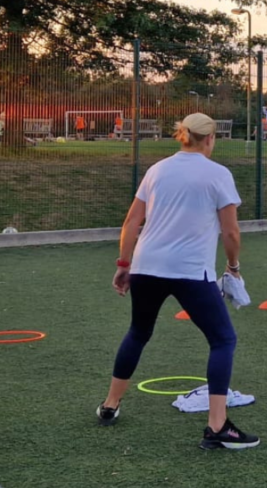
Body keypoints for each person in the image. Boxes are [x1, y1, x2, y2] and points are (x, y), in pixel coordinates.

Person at [97, 113, 258, 450]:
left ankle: (110, 405)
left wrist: (124, 264)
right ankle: (217, 427)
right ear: (210, 138)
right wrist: (233, 267)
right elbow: (230, 231)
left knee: (138, 333)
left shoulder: (158, 170)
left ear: (182, 136)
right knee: (223, 339)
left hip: (146, 265)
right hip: (189, 271)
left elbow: (131, 222)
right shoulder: (218, 174)